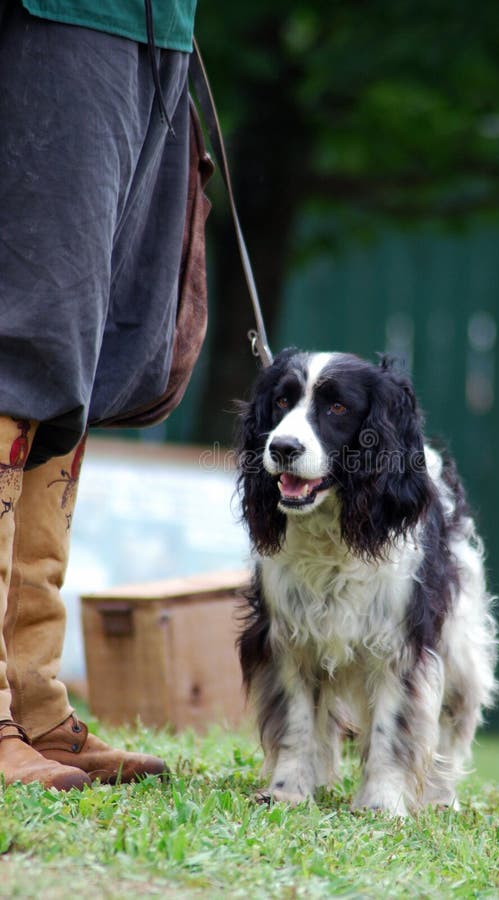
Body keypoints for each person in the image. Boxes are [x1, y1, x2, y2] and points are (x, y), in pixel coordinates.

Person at [0, 0, 198, 788]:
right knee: (26, 336)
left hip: (156, 26)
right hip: (56, 11)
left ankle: (34, 697)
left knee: (86, 352)